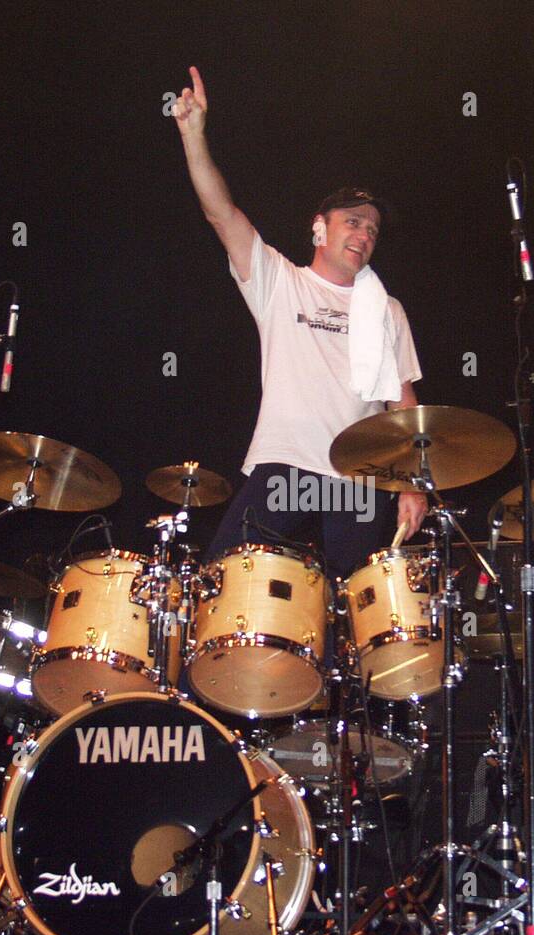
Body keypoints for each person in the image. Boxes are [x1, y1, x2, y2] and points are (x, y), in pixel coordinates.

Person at [172, 65, 427, 580]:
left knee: (350, 601)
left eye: (373, 229)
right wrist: (194, 136)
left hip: (359, 479)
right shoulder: (280, 281)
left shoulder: (386, 308)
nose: (364, 234)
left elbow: (403, 404)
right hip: (288, 463)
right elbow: (222, 215)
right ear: (319, 228)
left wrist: (412, 485)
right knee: (224, 579)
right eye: (352, 222)